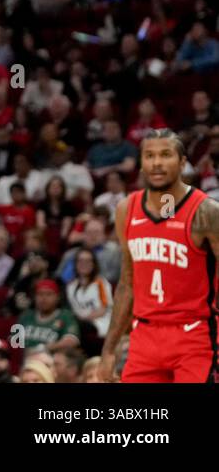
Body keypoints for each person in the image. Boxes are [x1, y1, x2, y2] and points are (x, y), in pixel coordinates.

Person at [99, 130, 219, 382]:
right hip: (144, 336)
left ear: (183, 162)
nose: (156, 163)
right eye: (149, 155)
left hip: (195, 335)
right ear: (141, 163)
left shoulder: (206, 212)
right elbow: (127, 284)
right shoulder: (126, 209)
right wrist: (109, 350)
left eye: (165, 155)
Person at [17, 279, 81, 355]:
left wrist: (42, 349)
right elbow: (14, 342)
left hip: (50, 361)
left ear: (57, 297)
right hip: (24, 360)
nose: (44, 298)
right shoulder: (26, 315)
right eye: (40, 294)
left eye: (49, 294)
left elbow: (71, 342)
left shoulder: (65, 316)